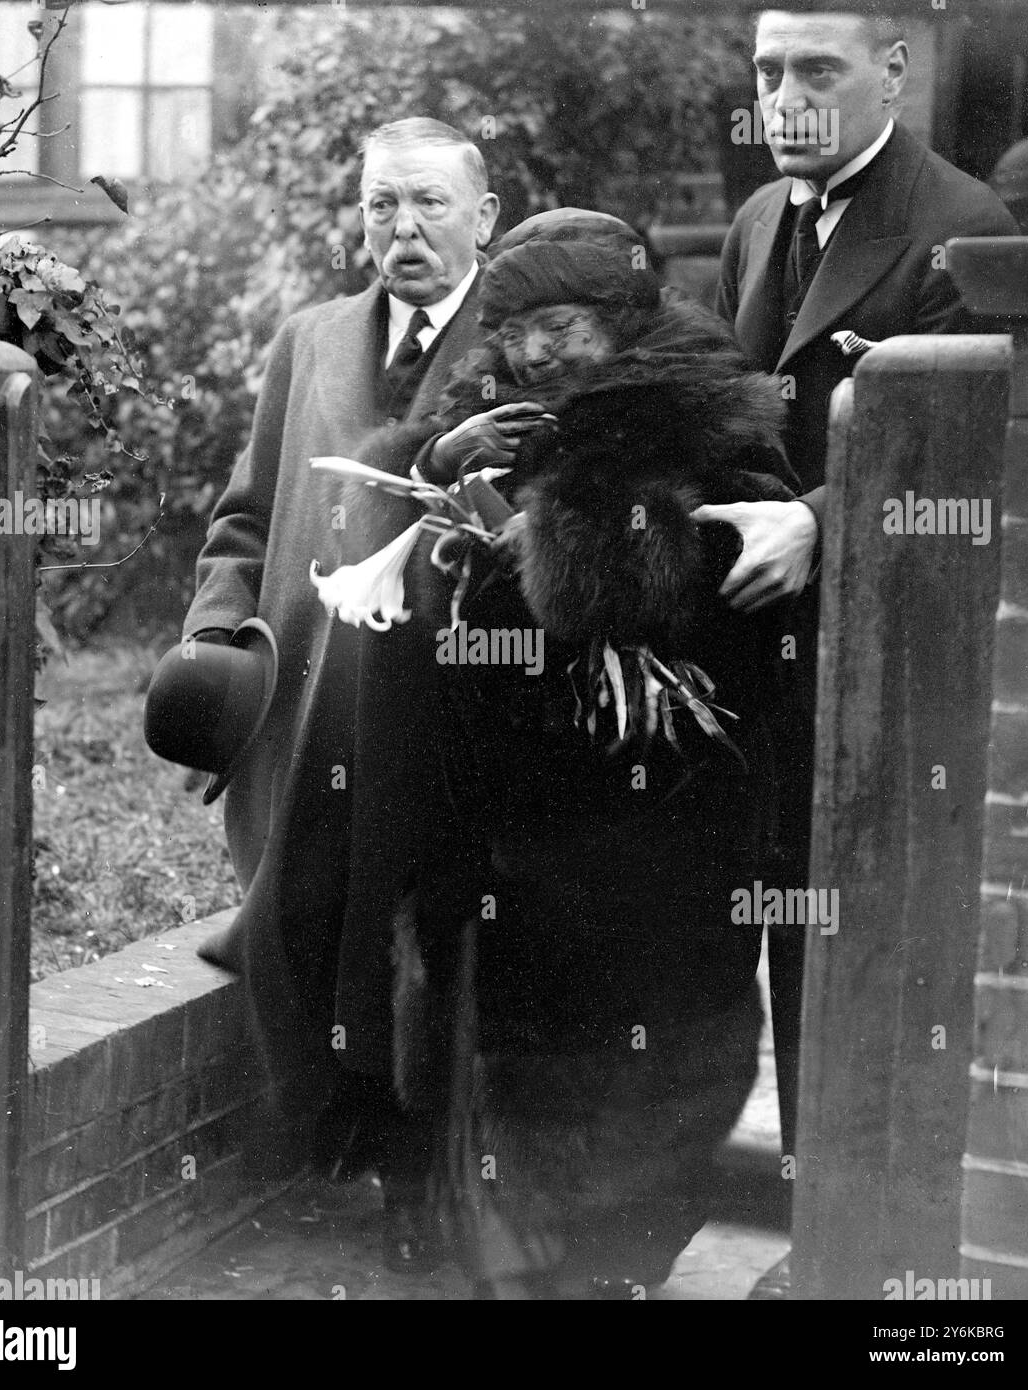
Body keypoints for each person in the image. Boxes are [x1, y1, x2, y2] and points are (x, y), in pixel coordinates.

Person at [343, 222, 802, 1297]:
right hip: (509, 831)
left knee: (655, 1071)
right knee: (519, 1068)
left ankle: (619, 1264)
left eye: (560, 326)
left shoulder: (706, 421)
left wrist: (549, 520)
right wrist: (430, 469)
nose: (533, 353)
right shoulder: (482, 417)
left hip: (659, 832)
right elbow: (379, 566)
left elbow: (648, 602)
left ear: (625, 322)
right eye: (510, 330)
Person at [708, 8, 1017, 1297]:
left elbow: (969, 450)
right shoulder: (759, 222)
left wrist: (820, 525)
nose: (784, 97)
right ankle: (817, 1236)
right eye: (769, 71)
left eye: (816, 71)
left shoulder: (968, 231)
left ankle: (878, 1261)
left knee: (887, 957)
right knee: (796, 938)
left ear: (895, 70)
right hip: (770, 667)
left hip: (902, 675)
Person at [176, 117, 500, 1272]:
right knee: (309, 926)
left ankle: (424, 1198)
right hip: (310, 720)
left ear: (483, 220)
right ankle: (342, 1141)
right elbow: (243, 516)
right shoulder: (309, 340)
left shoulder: (524, 347)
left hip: (454, 726)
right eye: (378, 207)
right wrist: (216, 636)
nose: (400, 230)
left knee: (429, 953)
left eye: (426, 205)